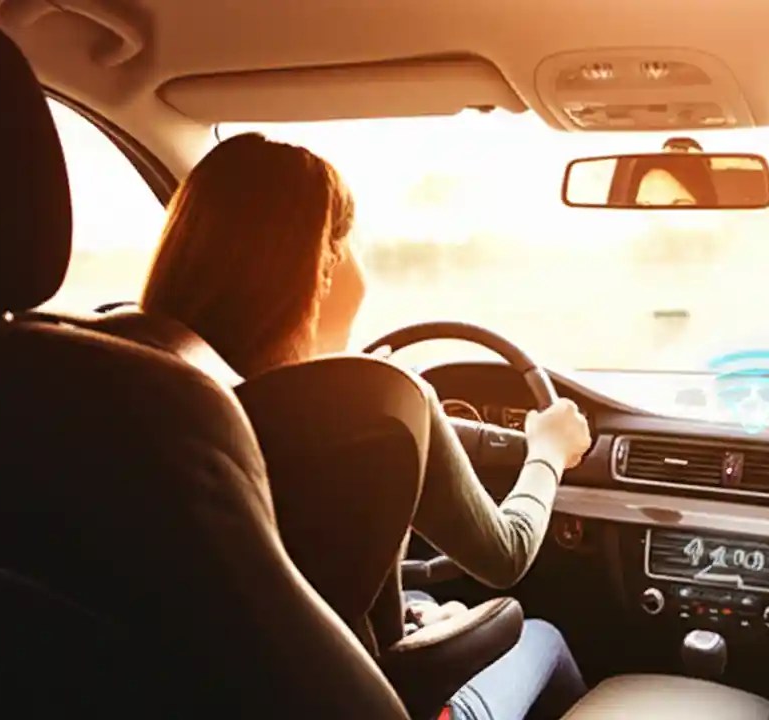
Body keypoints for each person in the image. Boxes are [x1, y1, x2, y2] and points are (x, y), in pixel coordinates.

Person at [141, 132, 592, 720]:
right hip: (355, 697)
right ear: (322, 264)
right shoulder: (380, 406)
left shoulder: (129, 387)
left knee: (431, 604)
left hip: (175, 688)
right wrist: (548, 449)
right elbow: (506, 555)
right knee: (543, 640)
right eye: (349, 244)